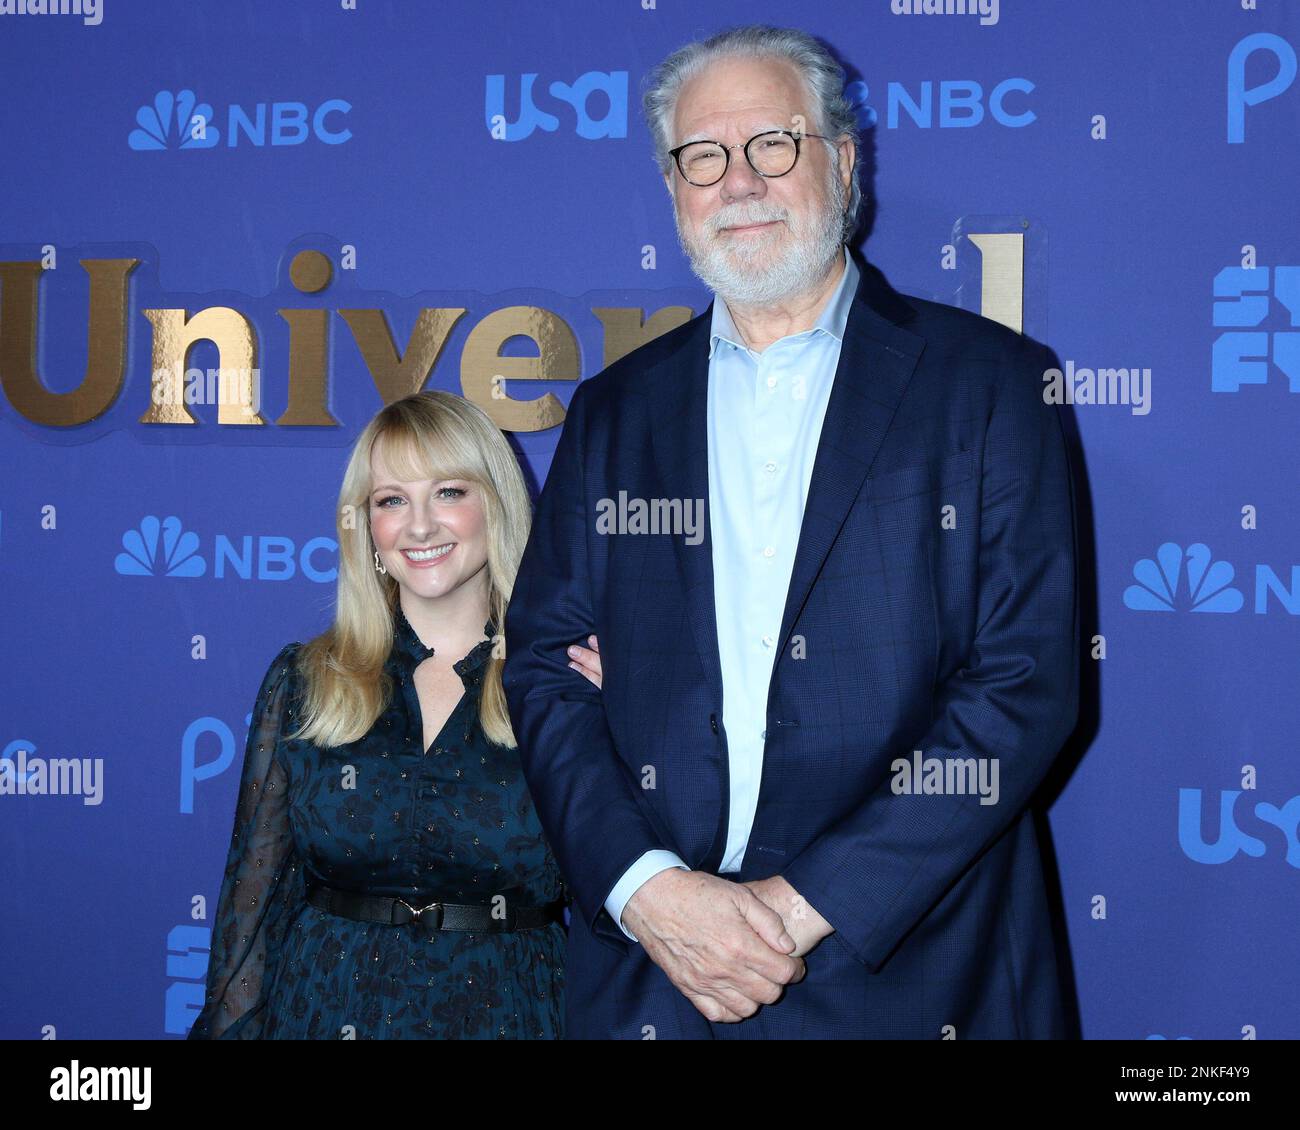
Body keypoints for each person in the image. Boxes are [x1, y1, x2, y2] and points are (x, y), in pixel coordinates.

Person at [504, 24, 1080, 1039]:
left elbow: (1022, 682)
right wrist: (648, 891)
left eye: (773, 143)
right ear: (673, 186)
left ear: (843, 163)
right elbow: (546, 667)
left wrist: (794, 908)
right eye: (702, 155)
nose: (738, 181)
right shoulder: (611, 410)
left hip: (906, 968)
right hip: (655, 974)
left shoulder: (987, 384)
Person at [189, 390, 579, 1039]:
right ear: (366, 526)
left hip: (510, 1016)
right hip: (321, 1013)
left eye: (449, 491)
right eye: (391, 500)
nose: (419, 526)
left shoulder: (563, 681)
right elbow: (251, 913)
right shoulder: (306, 681)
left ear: (498, 504)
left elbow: (616, 896)